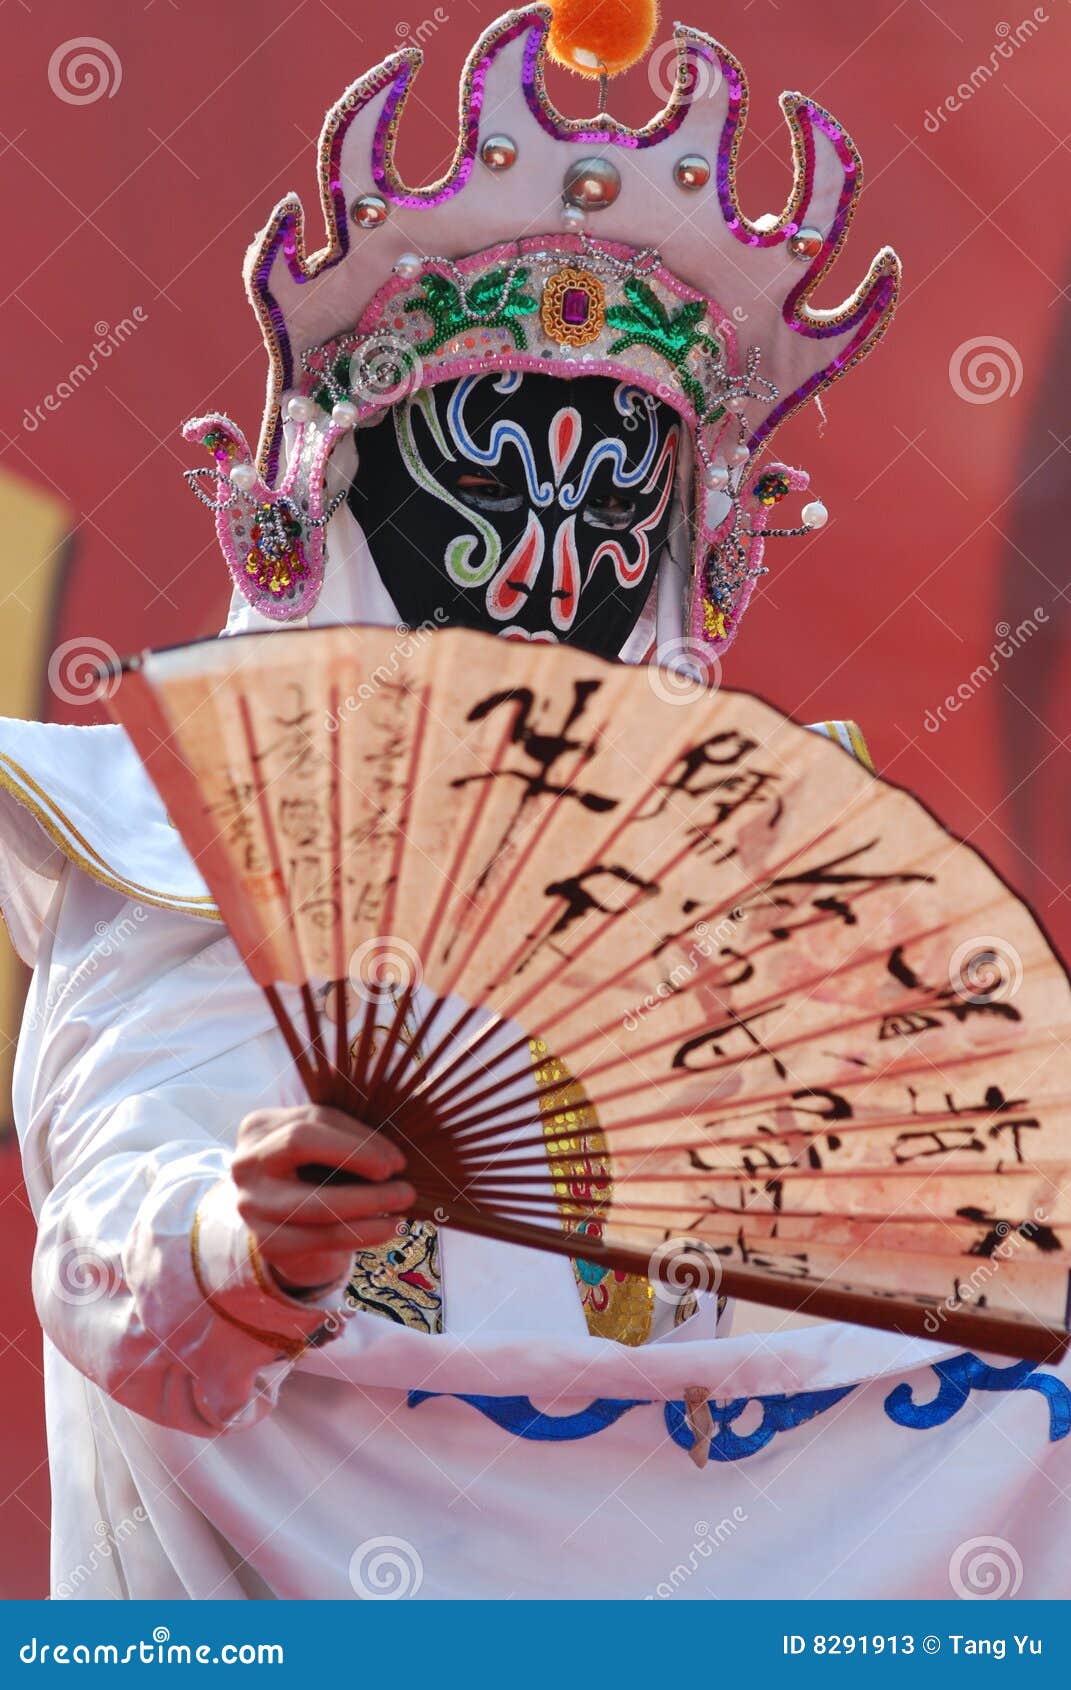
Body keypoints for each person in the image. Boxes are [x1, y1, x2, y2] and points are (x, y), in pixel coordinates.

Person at [10, 9, 1052, 1604]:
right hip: (305, 1573)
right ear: (335, 511)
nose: (553, 557)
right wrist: (240, 1245)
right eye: (485, 475)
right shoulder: (190, 839)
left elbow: (903, 1264)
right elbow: (111, 1208)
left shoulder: (751, 894)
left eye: (621, 484)